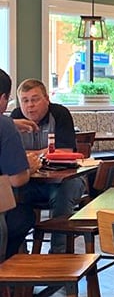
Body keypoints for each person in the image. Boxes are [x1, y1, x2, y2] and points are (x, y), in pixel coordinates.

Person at [10, 78, 86, 254]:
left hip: (66, 179)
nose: (30, 106)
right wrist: (43, 153)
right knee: (10, 192)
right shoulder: (14, 118)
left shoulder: (59, 114)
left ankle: (59, 254)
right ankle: (18, 254)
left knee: (62, 192)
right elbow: (13, 157)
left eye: (35, 99)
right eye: (25, 100)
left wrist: (31, 155)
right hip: (31, 182)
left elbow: (64, 151)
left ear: (46, 99)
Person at [0, 69, 36, 257]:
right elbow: (17, 180)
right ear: (3, 98)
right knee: (24, 216)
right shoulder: (5, 126)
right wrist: (30, 166)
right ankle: (6, 272)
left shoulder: (7, 124)